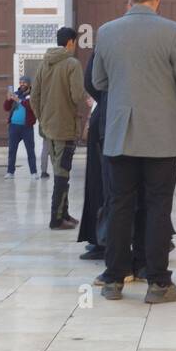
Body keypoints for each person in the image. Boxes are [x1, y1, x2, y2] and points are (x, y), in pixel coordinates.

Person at [92, 0, 176, 302]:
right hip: (160, 136)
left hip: (120, 134)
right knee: (157, 208)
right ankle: (158, 283)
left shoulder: (107, 32)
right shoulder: (171, 32)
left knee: (119, 206)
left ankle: (113, 281)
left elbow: (99, 81)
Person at [30, 27, 84, 229]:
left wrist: (42, 118)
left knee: (60, 170)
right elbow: (76, 95)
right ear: (70, 42)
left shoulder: (44, 64)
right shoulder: (72, 64)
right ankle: (56, 218)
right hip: (65, 126)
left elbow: (34, 96)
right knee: (63, 173)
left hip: (48, 128)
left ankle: (65, 213)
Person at [78, 53, 108, 259]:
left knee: (102, 183)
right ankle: (101, 238)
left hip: (107, 117)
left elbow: (90, 81)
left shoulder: (107, 40)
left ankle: (105, 240)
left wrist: (106, 100)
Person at [3, 77, 38, 180]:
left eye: (24, 83)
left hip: (27, 127)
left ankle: (33, 172)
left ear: (28, 84)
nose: (22, 84)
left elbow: (30, 106)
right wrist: (8, 99)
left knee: (30, 150)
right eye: (21, 82)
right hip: (14, 127)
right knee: (12, 151)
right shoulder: (15, 93)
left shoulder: (32, 95)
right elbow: (6, 108)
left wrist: (18, 100)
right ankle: (10, 172)